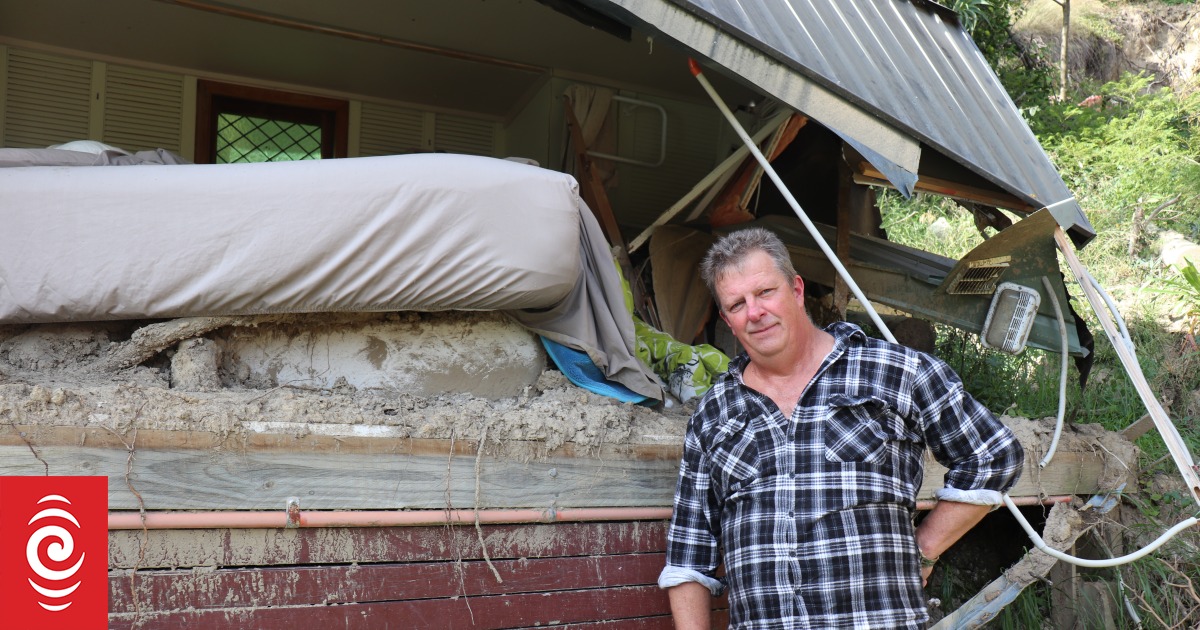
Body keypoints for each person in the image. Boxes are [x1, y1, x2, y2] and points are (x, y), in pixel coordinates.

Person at [658, 227, 1024, 629]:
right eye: (737, 304)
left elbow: (993, 456)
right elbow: (689, 556)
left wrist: (924, 547)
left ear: (796, 289)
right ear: (727, 320)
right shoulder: (714, 413)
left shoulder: (893, 372)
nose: (755, 312)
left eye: (765, 293)